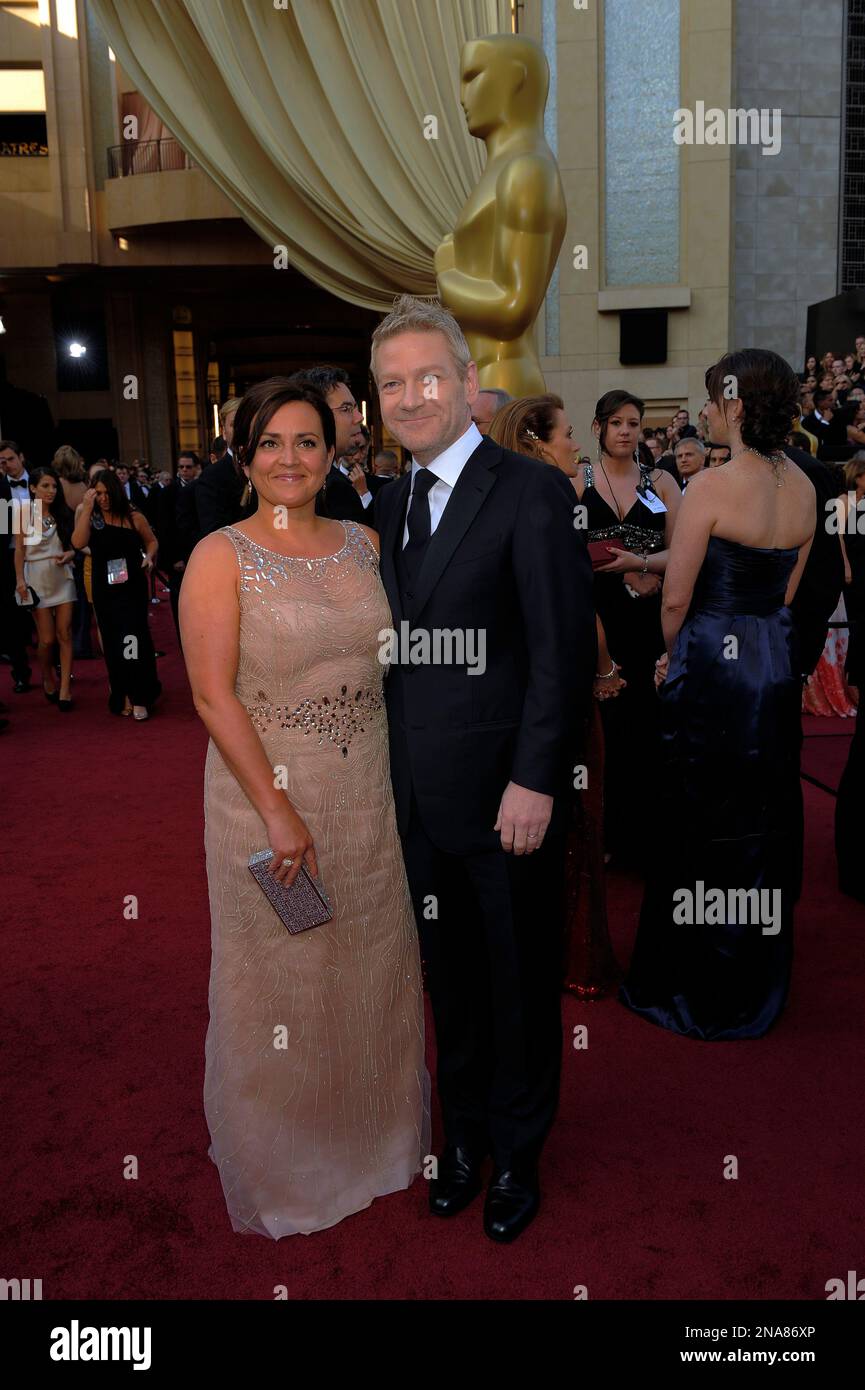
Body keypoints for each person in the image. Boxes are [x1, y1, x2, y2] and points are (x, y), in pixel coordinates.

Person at [179, 377, 428, 1238]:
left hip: (367, 796)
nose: (289, 459)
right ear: (244, 457)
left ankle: (379, 1144)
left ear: (333, 452)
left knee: (373, 969)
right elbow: (213, 698)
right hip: (267, 803)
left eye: (307, 441)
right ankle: (287, 1165)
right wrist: (280, 814)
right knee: (283, 984)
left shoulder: (363, 543)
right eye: (271, 443)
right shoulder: (220, 555)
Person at [372, 295, 594, 1242]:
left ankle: (520, 1150)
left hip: (510, 799)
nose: (411, 396)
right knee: (450, 982)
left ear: (468, 384)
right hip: (419, 802)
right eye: (391, 383)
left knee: (515, 982)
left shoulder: (529, 491)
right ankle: (461, 1140)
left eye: (428, 377)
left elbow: (560, 654)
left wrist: (537, 779)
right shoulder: (389, 501)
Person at [620, 348, 816, 1040]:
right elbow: (787, 594)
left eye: (710, 398)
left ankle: (693, 983)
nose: (703, 410)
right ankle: (751, 974)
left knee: (698, 814)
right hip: (769, 661)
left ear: (734, 405)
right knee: (760, 812)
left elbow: (675, 598)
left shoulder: (708, 486)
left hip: (710, 661)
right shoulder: (804, 486)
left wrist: (673, 656)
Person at [487, 394, 621, 999]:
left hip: (513, 697)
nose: (576, 445)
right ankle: (573, 958)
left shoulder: (504, 495)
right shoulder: (551, 496)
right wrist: (603, 670)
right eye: (568, 433)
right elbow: (572, 614)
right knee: (574, 821)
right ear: (540, 441)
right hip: (556, 696)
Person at [574, 391, 681, 866]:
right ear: (597, 427)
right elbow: (561, 554)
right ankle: (604, 836)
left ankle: (646, 835)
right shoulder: (578, 480)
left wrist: (643, 562)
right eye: (615, 422)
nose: (624, 430)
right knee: (603, 728)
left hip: (651, 618)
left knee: (650, 724)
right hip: (597, 618)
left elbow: (684, 554)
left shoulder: (662, 481)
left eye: (633, 423)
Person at [71, 469, 161, 720]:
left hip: (131, 589)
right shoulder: (91, 517)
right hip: (105, 590)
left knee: (132, 641)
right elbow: (77, 543)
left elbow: (152, 541)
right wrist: (88, 508)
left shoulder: (134, 517)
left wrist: (149, 558)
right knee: (112, 644)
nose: (103, 498)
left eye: (107, 493)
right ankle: (121, 694)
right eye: (98, 493)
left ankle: (140, 695)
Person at [13, 466, 77, 709]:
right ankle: (47, 675)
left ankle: (64, 689)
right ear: (33, 488)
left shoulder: (63, 513)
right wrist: (20, 580)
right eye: (45, 486)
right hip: (36, 579)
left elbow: (76, 544)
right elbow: (18, 549)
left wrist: (70, 554)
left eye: (53, 486)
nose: (51, 491)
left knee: (65, 634)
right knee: (47, 640)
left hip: (63, 577)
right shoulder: (21, 512)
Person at [288, 367, 371, 523]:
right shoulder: (333, 489)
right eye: (346, 409)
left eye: (356, 408)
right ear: (316, 413)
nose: (359, 417)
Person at [196, 398, 255, 535]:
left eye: (247, 423)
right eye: (234, 424)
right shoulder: (212, 476)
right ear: (223, 432)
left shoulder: (272, 467)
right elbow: (213, 530)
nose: (241, 430)